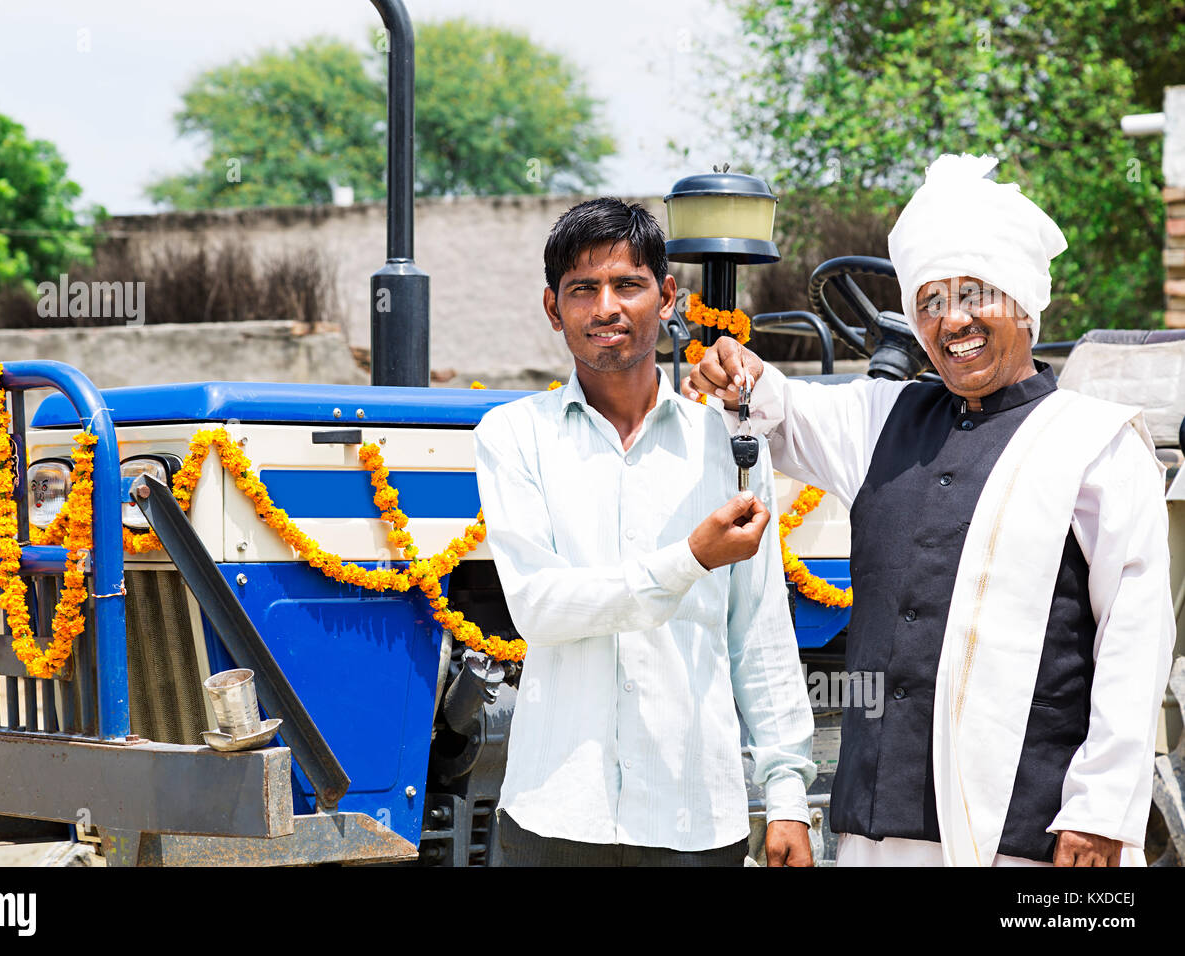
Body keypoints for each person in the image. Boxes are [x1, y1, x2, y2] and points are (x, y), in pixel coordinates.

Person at [684, 154, 1175, 867]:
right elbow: (775, 405)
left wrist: (1101, 810)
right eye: (931, 302)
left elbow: (1135, 641)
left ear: (1025, 307)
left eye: (975, 294)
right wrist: (739, 370)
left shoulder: (1094, 443)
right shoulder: (881, 416)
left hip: (1030, 839)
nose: (953, 321)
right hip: (875, 837)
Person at [473, 198, 816, 866]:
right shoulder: (515, 437)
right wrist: (688, 560)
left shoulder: (729, 441)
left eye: (627, 285)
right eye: (583, 290)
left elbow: (760, 630)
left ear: (665, 298)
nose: (606, 308)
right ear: (554, 309)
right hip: (555, 816)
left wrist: (785, 796)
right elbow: (539, 608)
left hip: (694, 817)